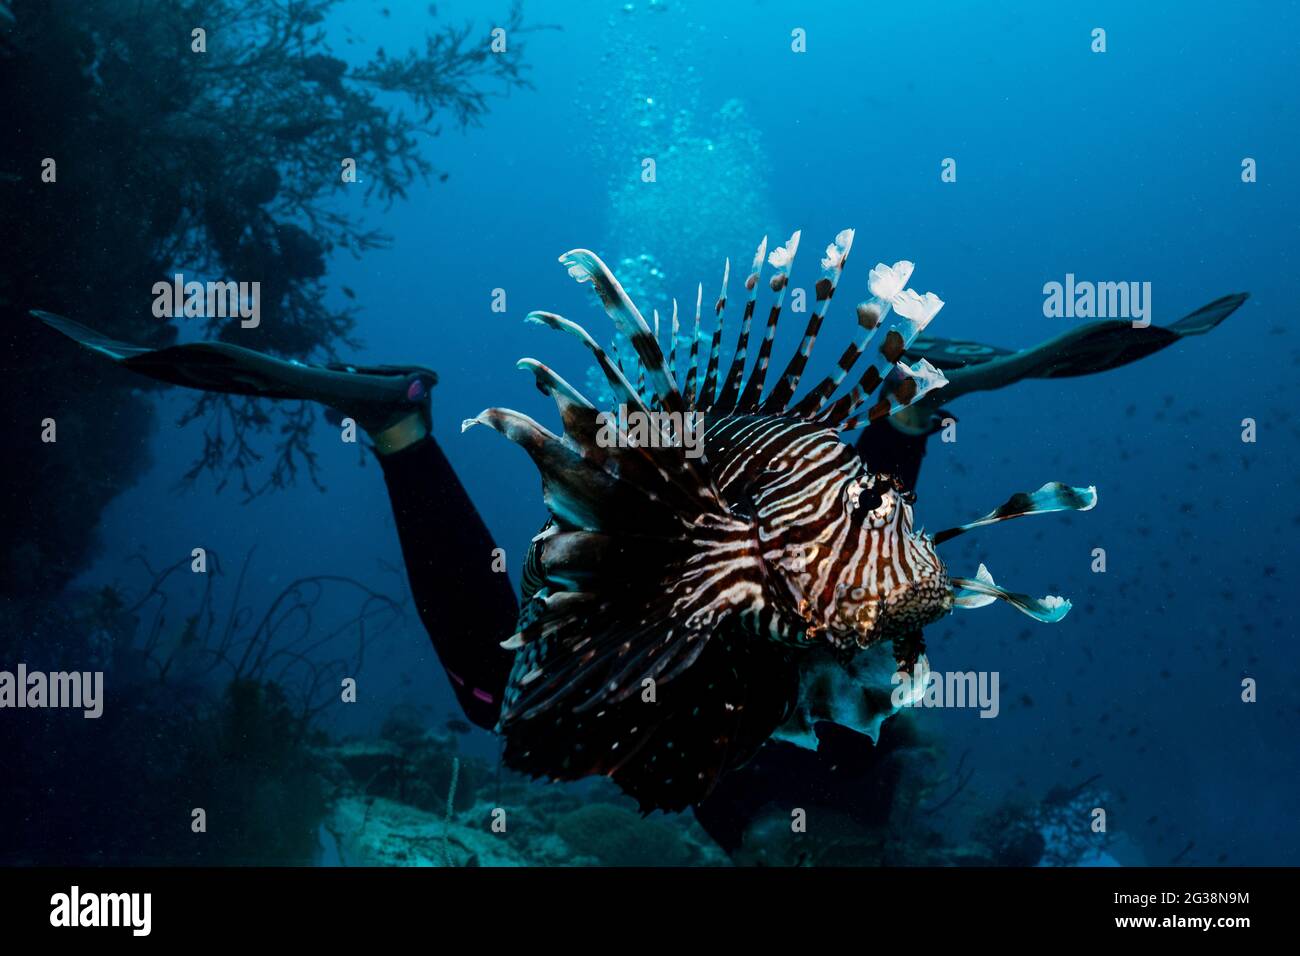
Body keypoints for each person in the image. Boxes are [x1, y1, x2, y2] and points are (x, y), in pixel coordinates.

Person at [31, 289, 1246, 852]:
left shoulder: (824, 719)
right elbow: (734, 525)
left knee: (843, 591)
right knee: (499, 697)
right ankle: (402, 425)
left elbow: (850, 568)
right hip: (710, 533)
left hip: (764, 524)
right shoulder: (798, 697)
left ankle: (913, 412)